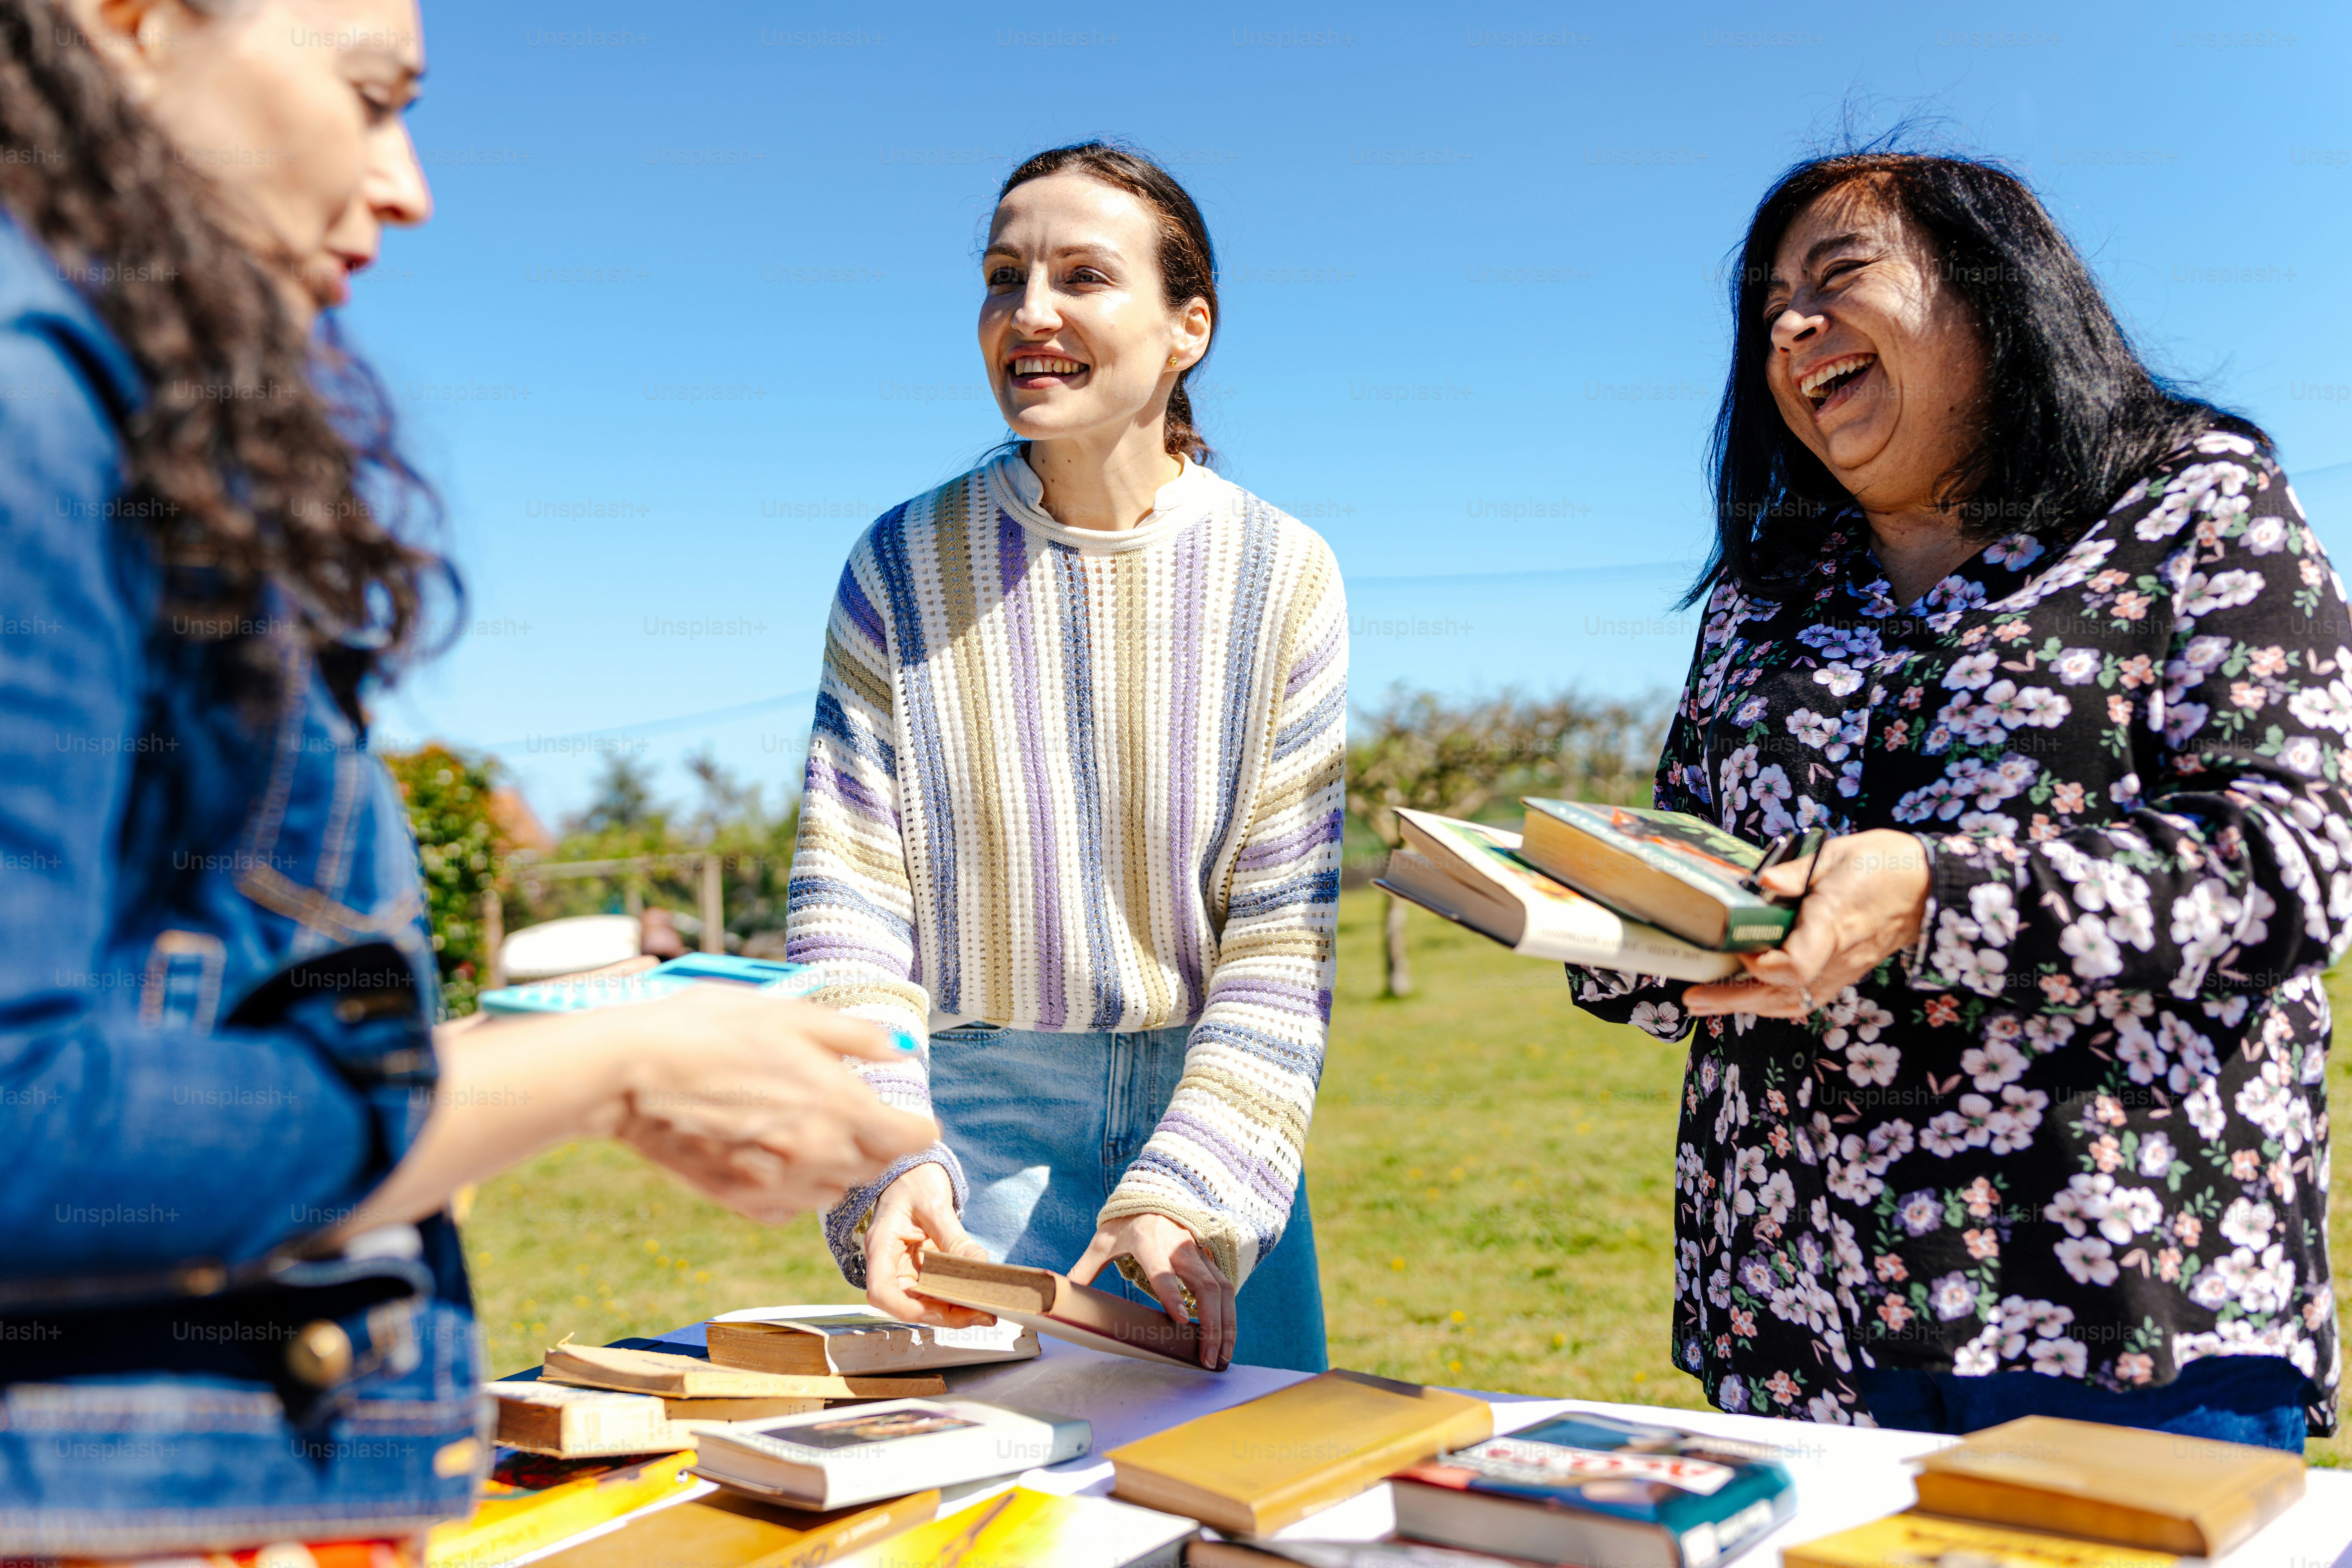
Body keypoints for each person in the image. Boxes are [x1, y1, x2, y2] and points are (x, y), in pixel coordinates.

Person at [0, 0, 933, 1553]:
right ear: (134, 27)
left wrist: (572, 1065)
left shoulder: (120, 422)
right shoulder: (35, 410)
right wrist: (593, 1068)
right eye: (372, 96)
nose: (411, 182)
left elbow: (155, 1043)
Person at [1571, 150, 2343, 1451]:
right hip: (1804, 1310)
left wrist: (1935, 896)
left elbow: (2288, 859)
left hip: (2115, 1305)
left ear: (1992, 292)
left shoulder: (2195, 507)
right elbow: (1697, 841)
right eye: (1769, 313)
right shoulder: (1767, 594)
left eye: (1836, 278)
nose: (1793, 328)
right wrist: (1610, 915)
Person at [784, 143, 1346, 1373]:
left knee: (1254, 1519)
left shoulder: (1285, 576)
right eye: (1002, 277)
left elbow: (1281, 934)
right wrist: (887, 1154)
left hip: (1220, 1131)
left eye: (1083, 276)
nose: (1028, 313)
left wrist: (1192, 1185)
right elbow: (849, 906)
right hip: (971, 1137)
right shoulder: (898, 567)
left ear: (1188, 326)